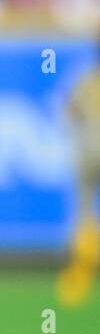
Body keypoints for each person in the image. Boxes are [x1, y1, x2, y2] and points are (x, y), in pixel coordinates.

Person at [57, 46, 100, 307]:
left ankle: (81, 274)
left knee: (84, 211)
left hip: (86, 150)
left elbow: (69, 115)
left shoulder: (85, 80)